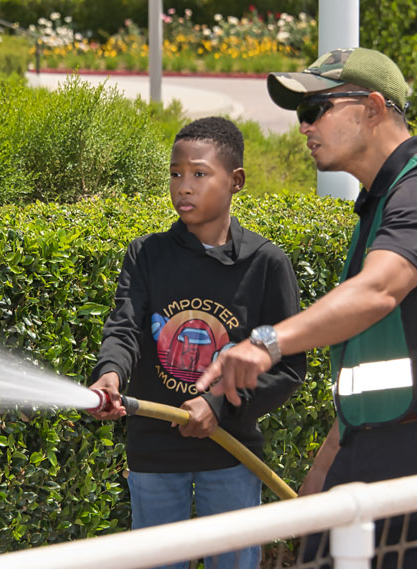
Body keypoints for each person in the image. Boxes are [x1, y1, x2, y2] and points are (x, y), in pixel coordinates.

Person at [195, 48, 417, 568]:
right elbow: (374, 370)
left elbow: (377, 292)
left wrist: (266, 343)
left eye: (315, 110)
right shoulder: (385, 204)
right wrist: (324, 474)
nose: (303, 128)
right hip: (381, 452)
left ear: (372, 107)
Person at [88, 116, 307, 569]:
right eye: (175, 174)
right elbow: (125, 327)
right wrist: (109, 374)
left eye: (199, 174)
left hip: (230, 451)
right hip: (153, 450)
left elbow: (287, 367)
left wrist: (220, 405)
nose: (183, 187)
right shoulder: (146, 254)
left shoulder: (265, 264)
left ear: (236, 181)